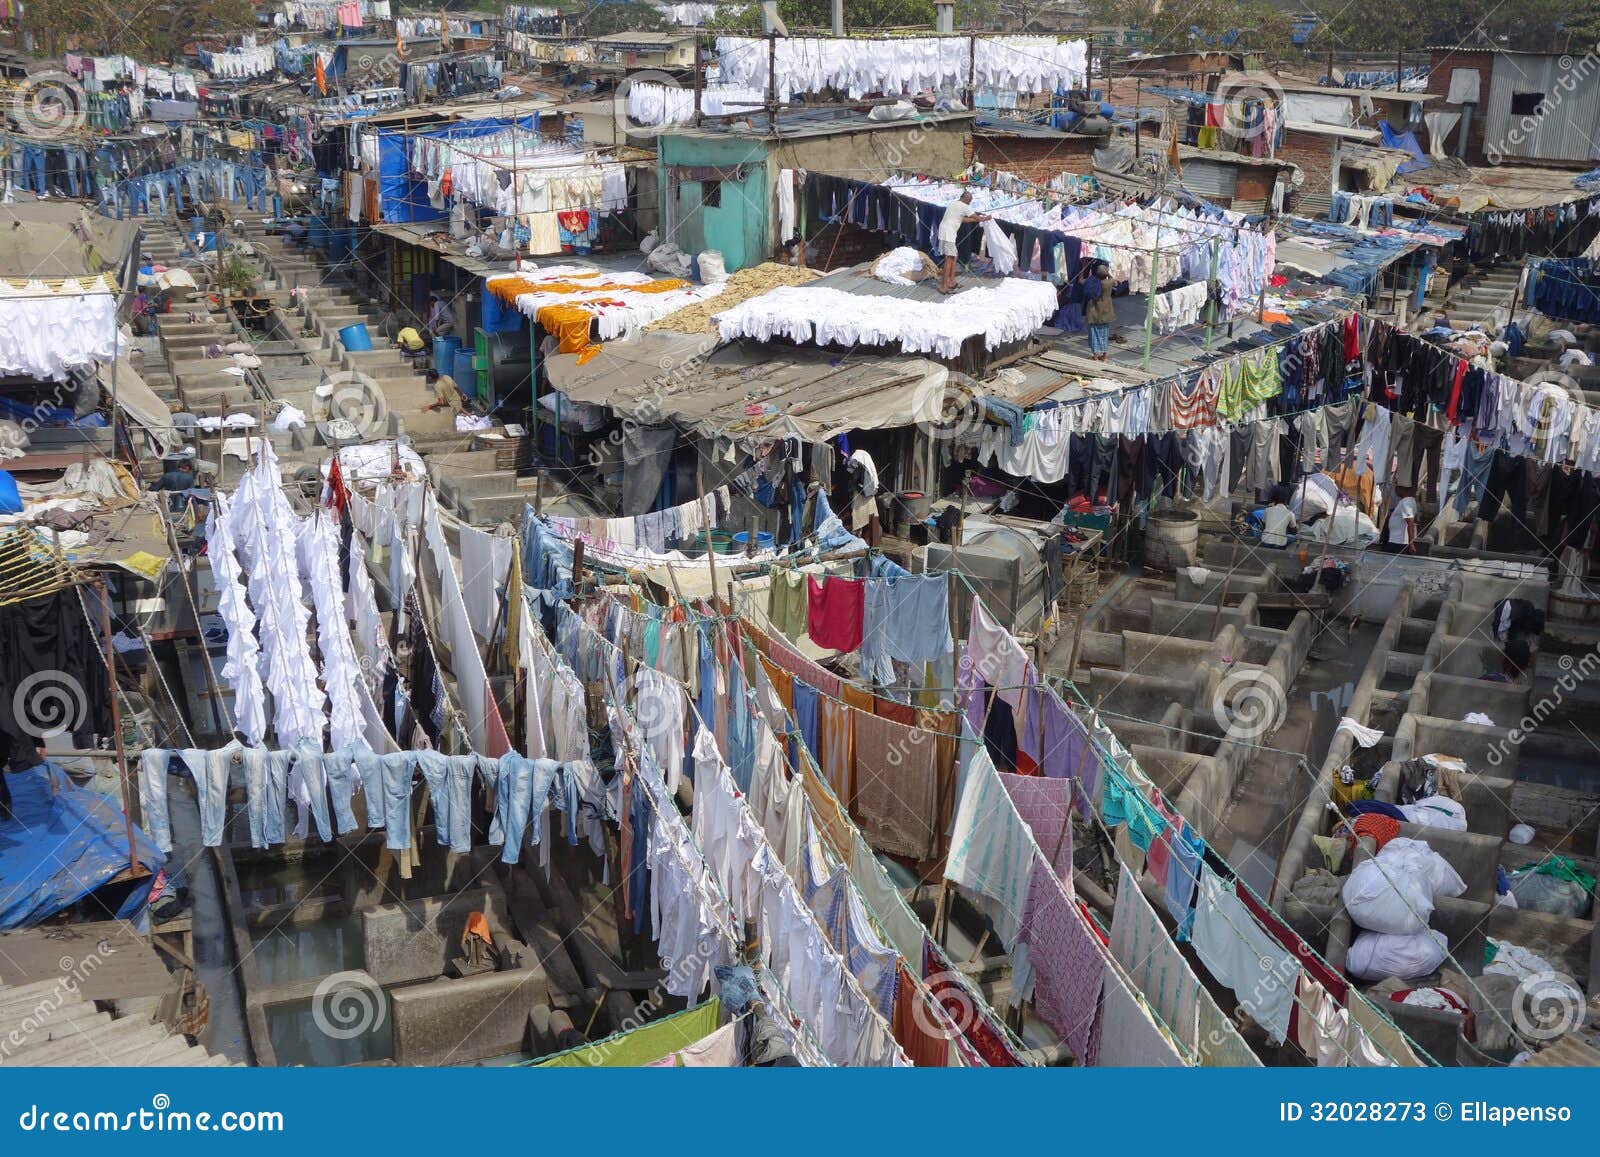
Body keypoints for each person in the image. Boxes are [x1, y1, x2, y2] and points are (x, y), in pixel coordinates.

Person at [937, 191, 989, 294]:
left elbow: (962, 219)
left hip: (944, 232)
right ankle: (944, 286)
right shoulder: (964, 206)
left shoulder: (953, 203)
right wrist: (985, 218)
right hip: (948, 234)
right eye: (969, 201)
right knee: (949, 258)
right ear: (966, 199)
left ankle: (952, 282)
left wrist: (976, 219)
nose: (969, 203)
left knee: (954, 256)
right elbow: (977, 217)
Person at [1082, 260, 1115, 360]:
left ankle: (1095, 356)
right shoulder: (1109, 282)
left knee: (1094, 334)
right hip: (1106, 312)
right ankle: (1104, 356)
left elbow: (1081, 282)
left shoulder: (1092, 283)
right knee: (1104, 334)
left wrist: (1083, 268)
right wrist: (1106, 272)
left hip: (1094, 312)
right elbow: (1112, 277)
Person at [1381, 487, 1417, 552]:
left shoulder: (1406, 503)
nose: (1395, 490)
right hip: (1395, 540)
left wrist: (1411, 543)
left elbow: (1410, 523)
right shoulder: (1405, 501)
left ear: (1402, 489)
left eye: (1397, 488)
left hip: (1399, 542)